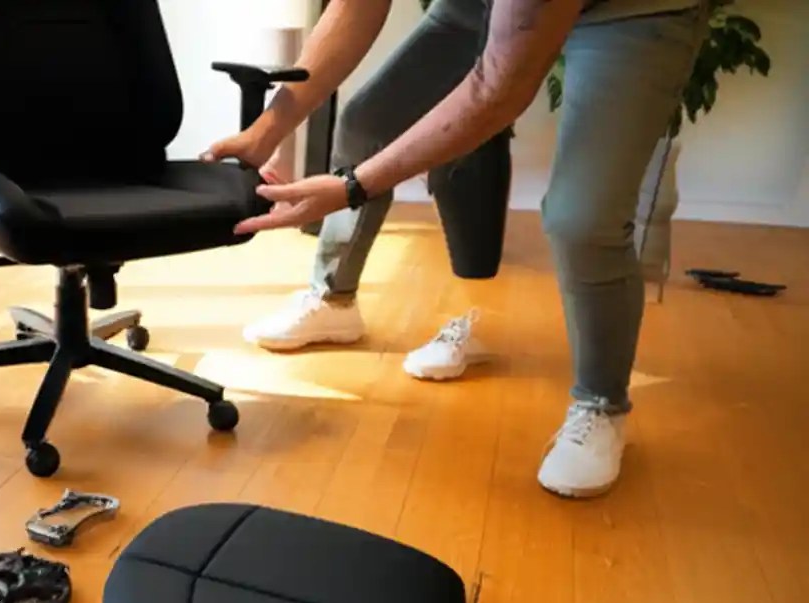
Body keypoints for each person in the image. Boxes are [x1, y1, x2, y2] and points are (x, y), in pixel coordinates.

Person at [204, 0, 712, 498]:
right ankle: (334, 301)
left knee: (581, 218)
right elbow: (357, 7)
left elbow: (497, 90)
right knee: (368, 123)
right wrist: (263, 133)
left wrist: (352, 186)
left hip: (637, 12)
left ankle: (600, 403)